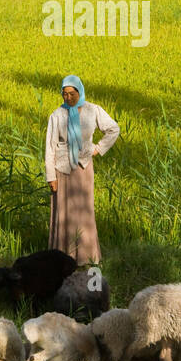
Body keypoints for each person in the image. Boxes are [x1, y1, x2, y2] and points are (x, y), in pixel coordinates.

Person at [44, 75, 119, 265]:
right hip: (62, 170)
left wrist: (98, 148)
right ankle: (62, 259)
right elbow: (50, 147)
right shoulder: (57, 115)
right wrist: (50, 176)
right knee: (63, 213)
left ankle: (86, 257)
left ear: (80, 92)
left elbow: (113, 129)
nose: (68, 97)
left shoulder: (92, 110)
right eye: (64, 94)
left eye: (72, 93)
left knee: (83, 212)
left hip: (83, 169)